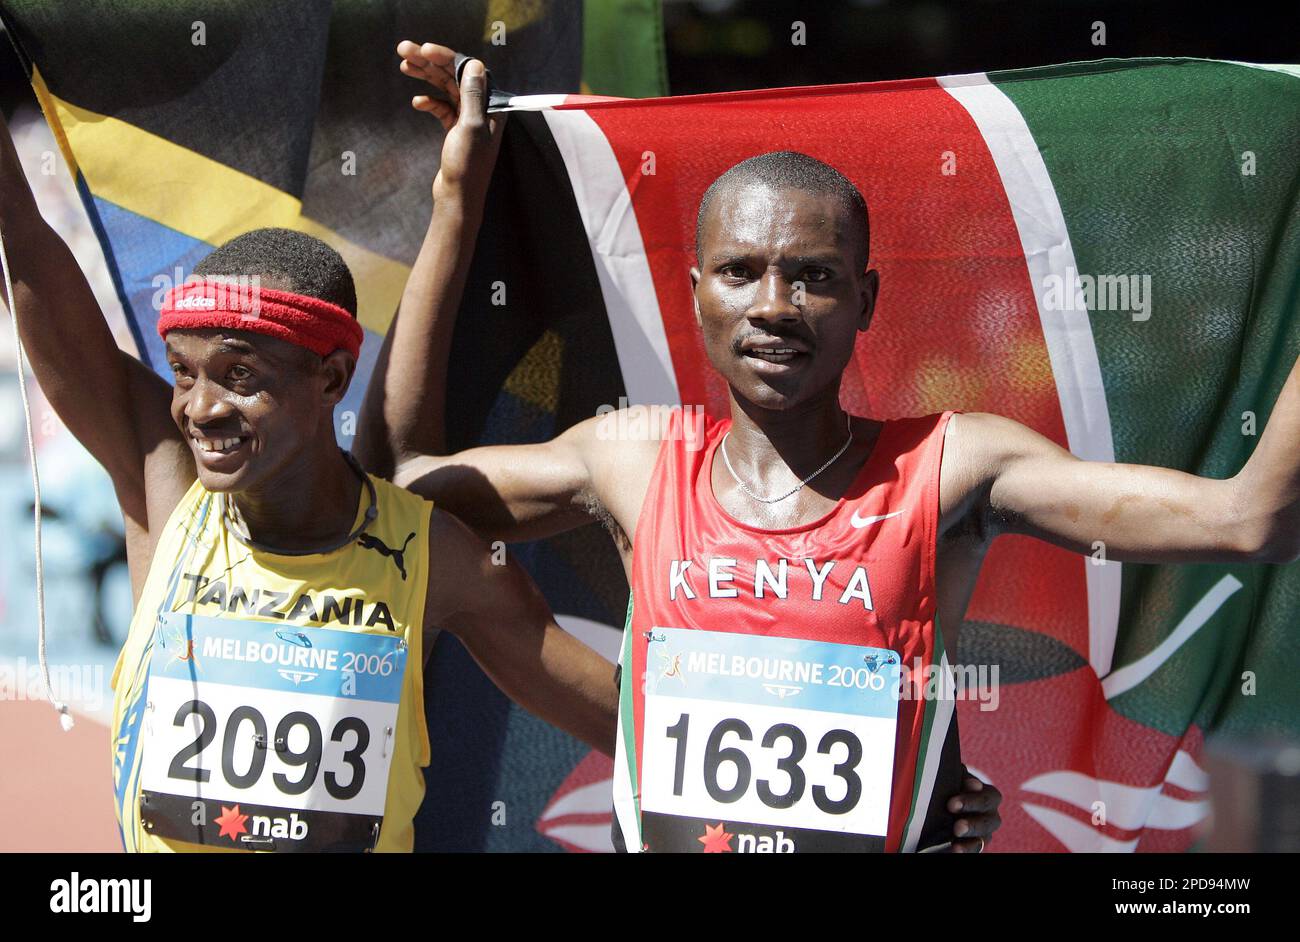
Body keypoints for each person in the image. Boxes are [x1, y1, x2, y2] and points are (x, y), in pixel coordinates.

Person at [369, 43, 1250, 853]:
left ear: (866, 301)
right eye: (739, 271)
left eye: (814, 276)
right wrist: (458, 201)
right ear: (696, 294)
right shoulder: (633, 459)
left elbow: (1248, 521)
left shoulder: (953, 466)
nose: (774, 305)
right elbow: (406, 484)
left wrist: (925, 770)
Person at [0, 58, 616, 853]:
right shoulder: (168, 485)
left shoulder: (431, 552)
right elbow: (28, 250)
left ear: (330, 379)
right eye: (183, 374)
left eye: (240, 376)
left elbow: (624, 723)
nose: (200, 410)